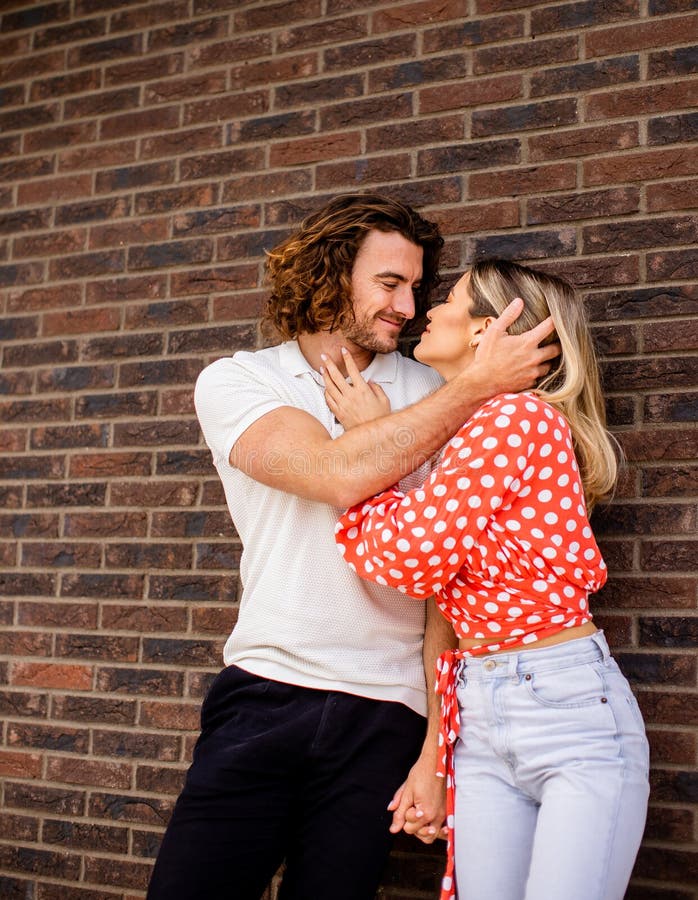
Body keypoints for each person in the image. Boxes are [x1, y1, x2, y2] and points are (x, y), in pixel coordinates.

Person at [146, 197, 559, 900]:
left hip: (389, 710)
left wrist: (436, 744)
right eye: (389, 283)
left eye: (419, 287)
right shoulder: (242, 380)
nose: (408, 305)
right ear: (330, 274)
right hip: (267, 691)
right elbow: (334, 474)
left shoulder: (435, 385)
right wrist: (479, 386)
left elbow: (450, 591)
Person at [330, 259, 650, 900]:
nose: (428, 309)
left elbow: (407, 560)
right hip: (485, 704)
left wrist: (369, 438)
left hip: (563, 710)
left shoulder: (515, 422)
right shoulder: (472, 432)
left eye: (447, 298)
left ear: (485, 330)